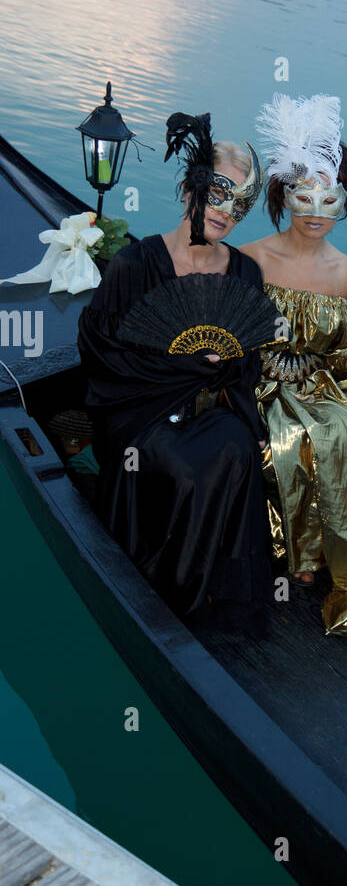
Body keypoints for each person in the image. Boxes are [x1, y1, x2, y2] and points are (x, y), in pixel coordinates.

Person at [77, 112, 272, 618]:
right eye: (220, 190)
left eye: (241, 203)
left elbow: (246, 367)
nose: (227, 210)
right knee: (186, 468)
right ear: (191, 184)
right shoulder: (135, 264)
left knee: (236, 449)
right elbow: (102, 354)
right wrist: (182, 366)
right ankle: (165, 588)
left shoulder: (245, 272)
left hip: (211, 407)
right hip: (139, 408)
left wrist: (222, 369)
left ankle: (212, 584)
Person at [240, 92, 347, 637]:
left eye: (329, 200)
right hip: (251, 383)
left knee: (344, 433)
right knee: (286, 441)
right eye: (304, 197)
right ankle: (295, 556)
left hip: (318, 387)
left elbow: (343, 360)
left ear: (345, 201)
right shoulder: (253, 260)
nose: (315, 213)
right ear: (284, 196)